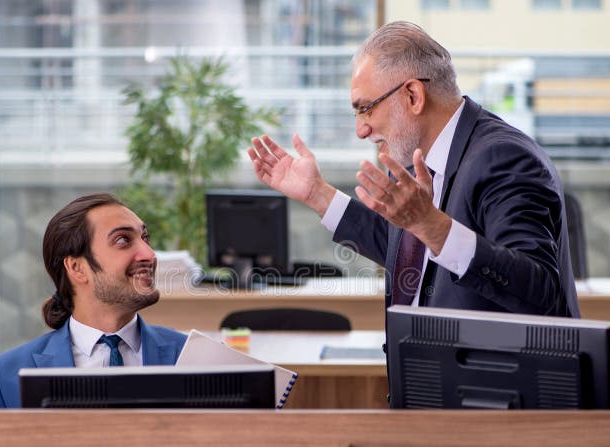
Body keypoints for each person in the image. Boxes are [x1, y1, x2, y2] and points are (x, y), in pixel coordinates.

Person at [248, 21, 579, 318]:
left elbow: (541, 290)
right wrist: (317, 193)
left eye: (366, 109)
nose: (361, 130)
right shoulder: (412, 156)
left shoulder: (504, 158)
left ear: (412, 96)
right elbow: (409, 254)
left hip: (503, 384)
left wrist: (430, 224)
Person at [0, 192, 186, 409]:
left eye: (145, 238)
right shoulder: (7, 375)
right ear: (77, 268)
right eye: (124, 240)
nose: (149, 253)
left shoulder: (194, 358)